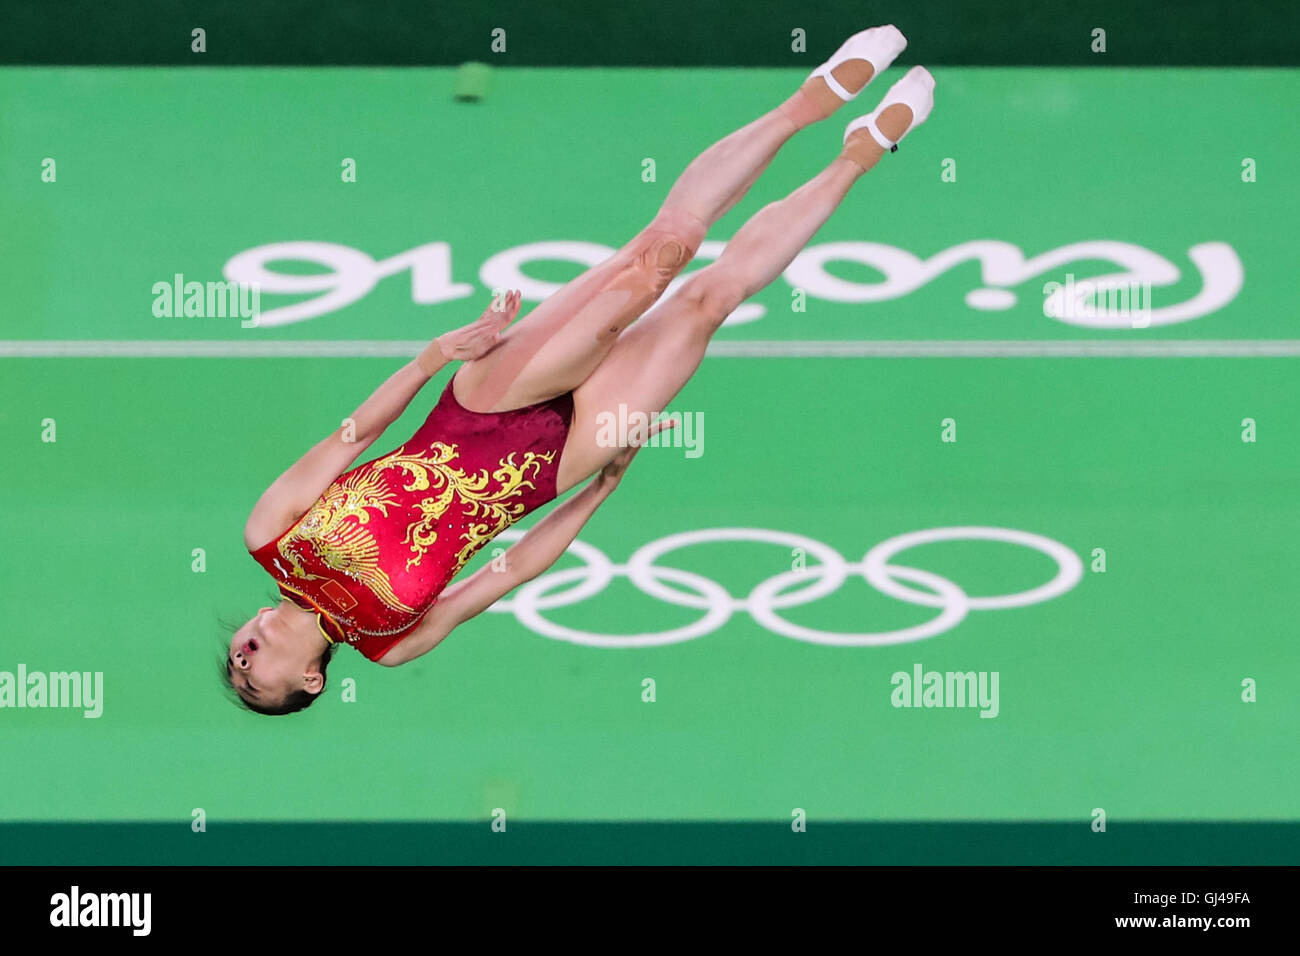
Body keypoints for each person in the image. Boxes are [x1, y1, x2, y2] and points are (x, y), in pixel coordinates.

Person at [224, 25, 936, 714]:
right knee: (709, 302)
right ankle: (863, 150)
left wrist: (432, 357)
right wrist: (597, 493)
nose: (243, 661)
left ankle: (808, 102)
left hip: (482, 405)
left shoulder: (269, 537)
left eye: (234, 662)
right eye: (255, 683)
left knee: (662, 252)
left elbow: (352, 436)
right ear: (311, 683)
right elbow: (510, 570)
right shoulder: (390, 643)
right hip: (557, 462)